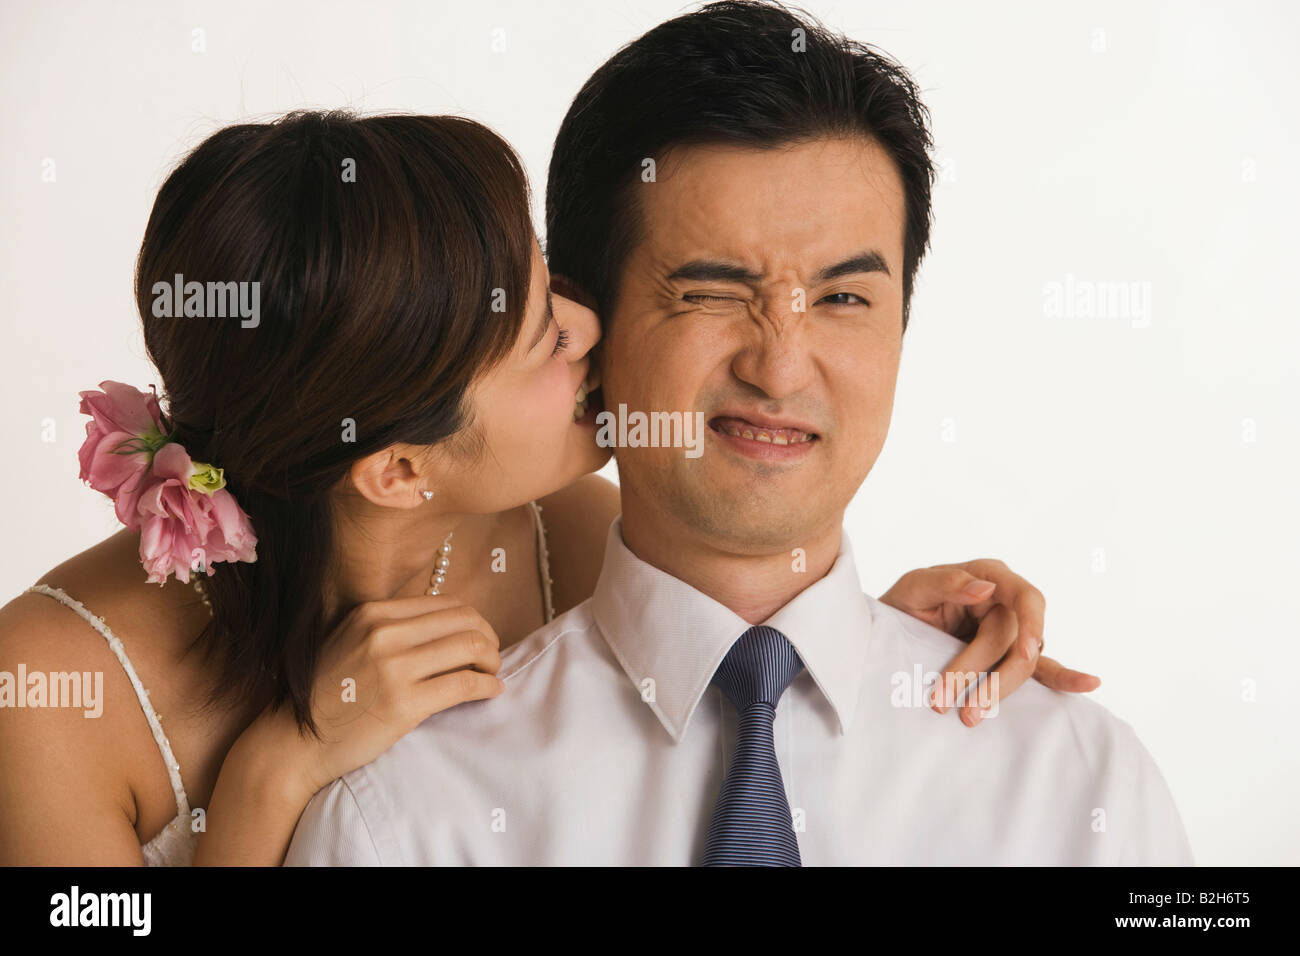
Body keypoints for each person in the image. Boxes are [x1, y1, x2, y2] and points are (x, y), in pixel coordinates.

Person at [0, 108, 1080, 866]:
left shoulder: (561, 527)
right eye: (535, 337)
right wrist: (273, 777)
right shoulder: (49, 692)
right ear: (397, 467)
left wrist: (852, 636)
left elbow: (699, 684)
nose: (589, 326)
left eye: (546, 277)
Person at [284, 0, 1192, 866]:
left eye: (843, 298)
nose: (782, 367)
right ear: (584, 331)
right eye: (713, 293)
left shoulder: (1080, 782)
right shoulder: (405, 810)